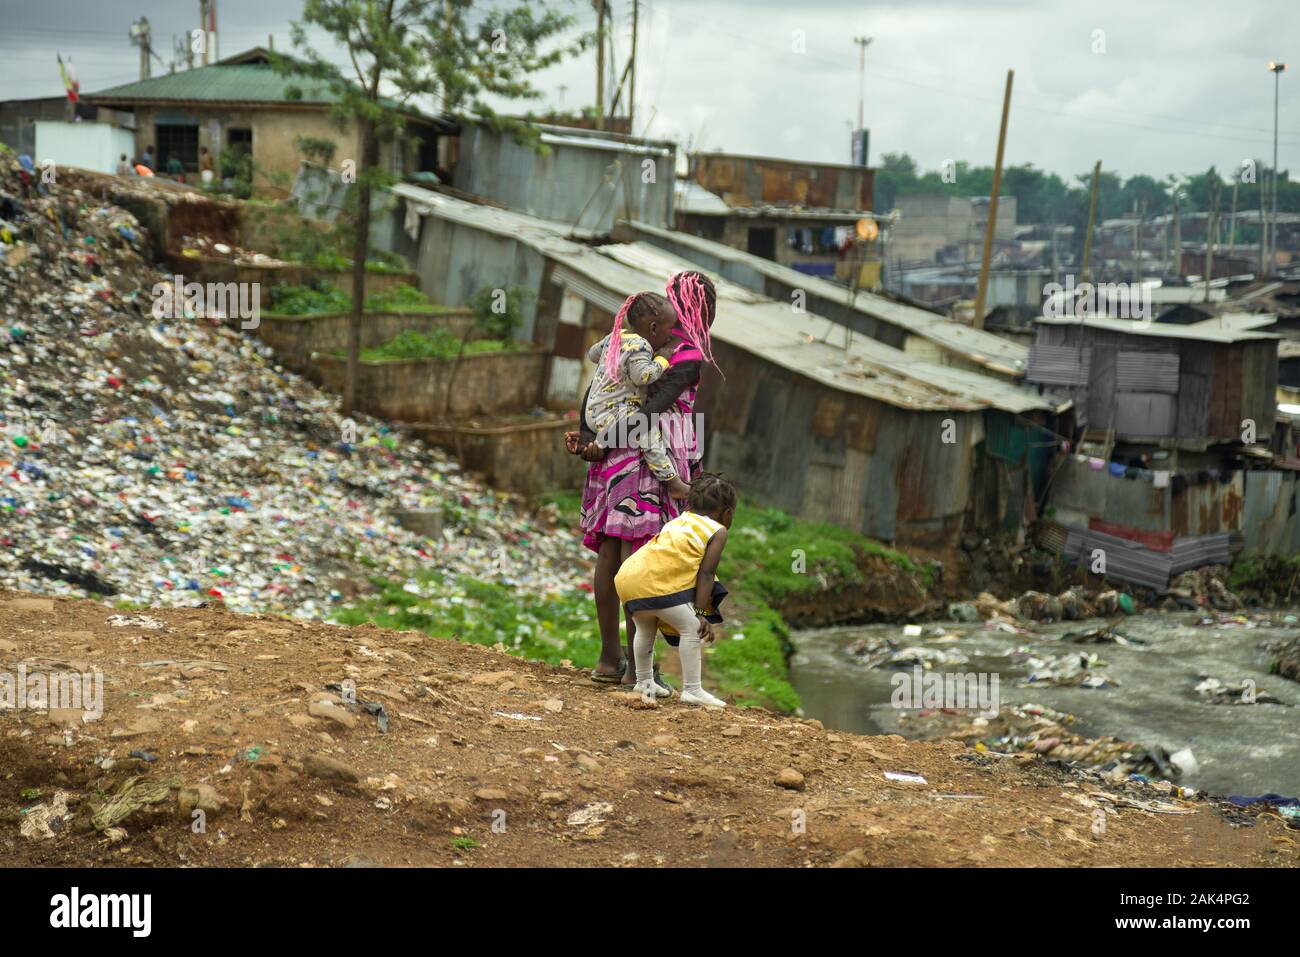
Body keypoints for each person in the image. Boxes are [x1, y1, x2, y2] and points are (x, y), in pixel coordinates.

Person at [615, 473, 736, 708]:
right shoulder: (717, 530)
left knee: (645, 627)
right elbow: (706, 574)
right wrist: (700, 612)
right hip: (654, 581)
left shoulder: (678, 521)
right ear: (727, 513)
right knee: (691, 627)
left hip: (629, 576)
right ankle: (692, 689)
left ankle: (644, 681)